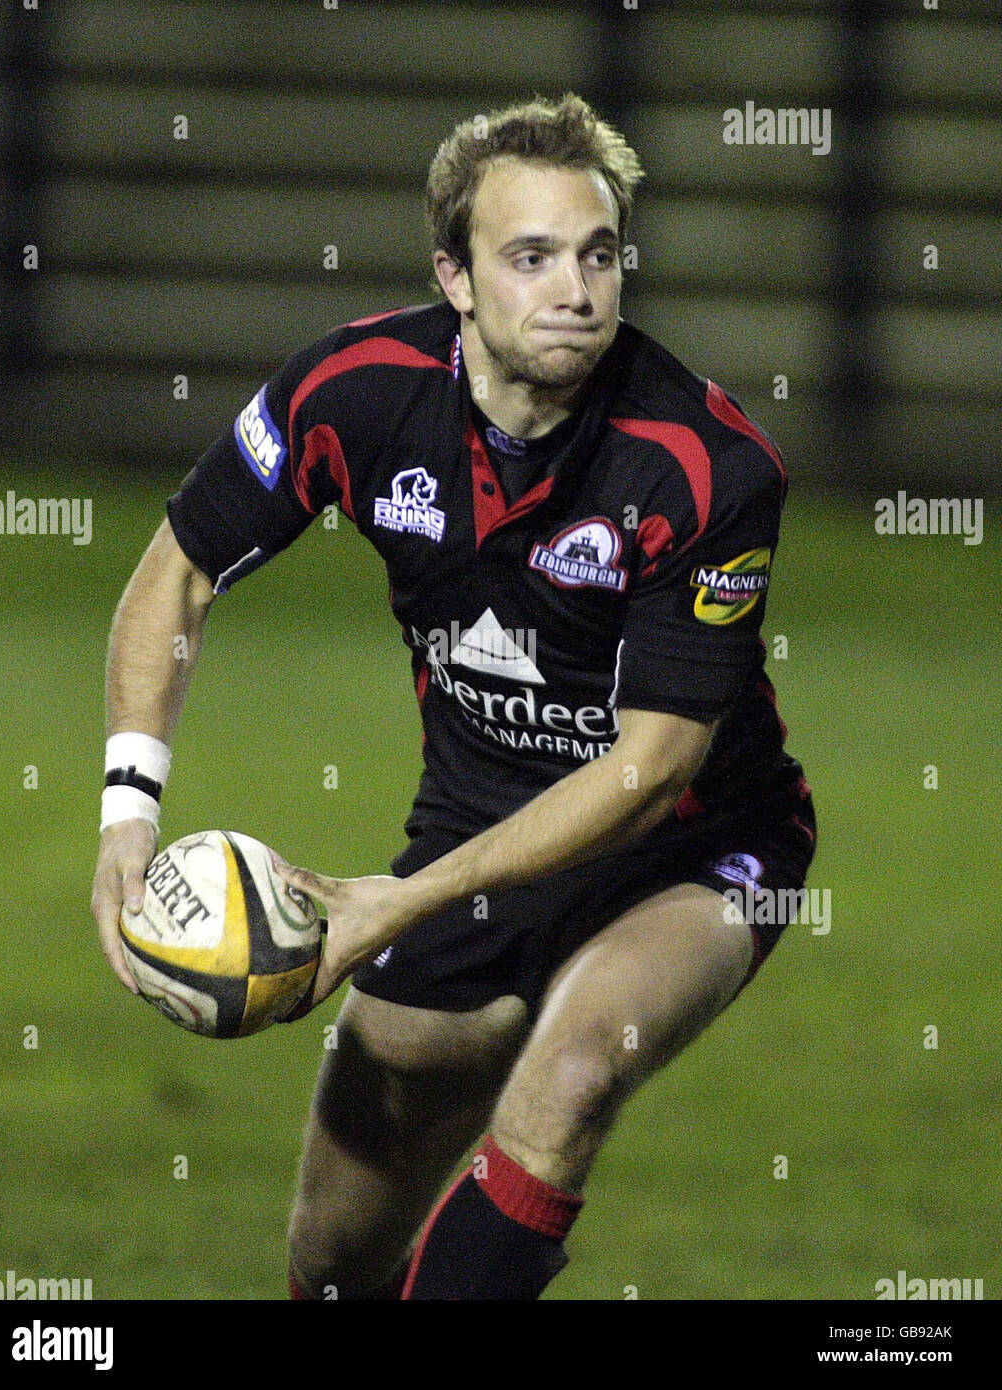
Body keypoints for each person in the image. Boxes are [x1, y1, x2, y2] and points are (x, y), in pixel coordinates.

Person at [91, 93, 815, 1301]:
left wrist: (396, 902)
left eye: (596, 254)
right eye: (529, 257)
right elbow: (179, 569)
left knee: (573, 1072)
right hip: (473, 829)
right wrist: (127, 808)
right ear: (455, 277)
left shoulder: (705, 466)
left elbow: (650, 766)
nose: (574, 289)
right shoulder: (356, 392)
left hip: (692, 850)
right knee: (331, 1264)